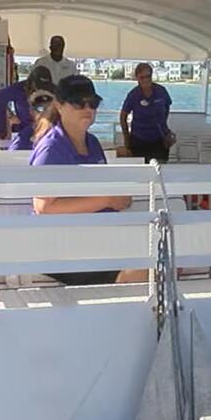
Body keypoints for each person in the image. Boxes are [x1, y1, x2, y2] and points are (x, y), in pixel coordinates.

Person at [30, 75, 140, 286]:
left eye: (93, 103)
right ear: (59, 106)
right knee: (147, 267)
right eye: (78, 102)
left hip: (94, 239)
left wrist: (118, 198)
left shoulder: (93, 143)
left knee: (159, 254)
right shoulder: (52, 149)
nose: (87, 108)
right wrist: (107, 200)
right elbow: (44, 207)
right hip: (62, 249)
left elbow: (102, 189)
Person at [120, 62, 173, 162]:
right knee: (140, 173)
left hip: (159, 139)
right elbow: (123, 117)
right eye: (142, 77)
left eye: (148, 76)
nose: (145, 80)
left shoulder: (161, 91)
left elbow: (167, 107)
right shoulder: (133, 95)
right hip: (138, 140)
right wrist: (127, 141)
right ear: (137, 78)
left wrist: (164, 127)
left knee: (160, 170)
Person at [3, 66, 55, 151]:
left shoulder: (54, 89)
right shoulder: (18, 88)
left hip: (47, 129)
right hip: (23, 129)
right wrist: (10, 116)